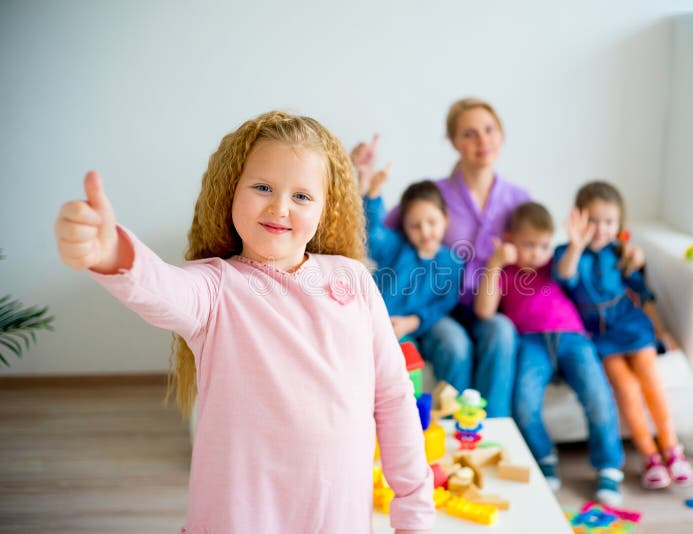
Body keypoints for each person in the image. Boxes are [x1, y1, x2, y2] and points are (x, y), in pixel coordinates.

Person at [54, 111, 434, 533]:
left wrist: (413, 514)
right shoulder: (216, 289)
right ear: (231, 193)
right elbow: (158, 288)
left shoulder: (353, 280)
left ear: (326, 209)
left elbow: (394, 397)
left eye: (302, 196)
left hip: (337, 517)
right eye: (262, 187)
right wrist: (108, 252)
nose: (279, 207)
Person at [352, 98, 530, 416]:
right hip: (439, 308)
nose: (482, 141)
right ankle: (449, 426)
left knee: (502, 333)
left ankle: (493, 429)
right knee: (454, 344)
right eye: (469, 133)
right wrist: (364, 182)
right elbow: (377, 234)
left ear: (501, 133)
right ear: (453, 141)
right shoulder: (433, 196)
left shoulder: (517, 200)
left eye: (489, 130)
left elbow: (535, 252)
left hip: (488, 306)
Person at [474, 201, 625, 506]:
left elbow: (568, 268)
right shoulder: (504, 271)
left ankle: (608, 466)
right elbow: (484, 311)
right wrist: (496, 263)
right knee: (524, 403)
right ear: (510, 239)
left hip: (572, 338)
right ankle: (544, 455)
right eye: (529, 245)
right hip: (531, 343)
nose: (537, 253)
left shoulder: (553, 263)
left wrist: (573, 245)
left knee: (597, 395)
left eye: (543, 245)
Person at [554, 181, 693, 490]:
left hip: (631, 324)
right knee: (626, 388)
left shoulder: (620, 253)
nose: (601, 229)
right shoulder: (567, 253)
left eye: (609, 222)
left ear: (619, 225)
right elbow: (565, 277)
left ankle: (672, 449)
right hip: (600, 336)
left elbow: (642, 293)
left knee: (649, 376)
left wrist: (661, 330)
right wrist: (577, 245)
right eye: (593, 220)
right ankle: (650, 457)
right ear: (578, 218)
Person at [363, 168, 462, 341]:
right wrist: (373, 194)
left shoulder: (452, 263)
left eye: (431, 222)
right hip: (379, 324)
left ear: (445, 219)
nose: (424, 232)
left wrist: (412, 322)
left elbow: (443, 304)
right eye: (415, 225)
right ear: (404, 226)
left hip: (415, 329)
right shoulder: (395, 246)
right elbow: (373, 234)